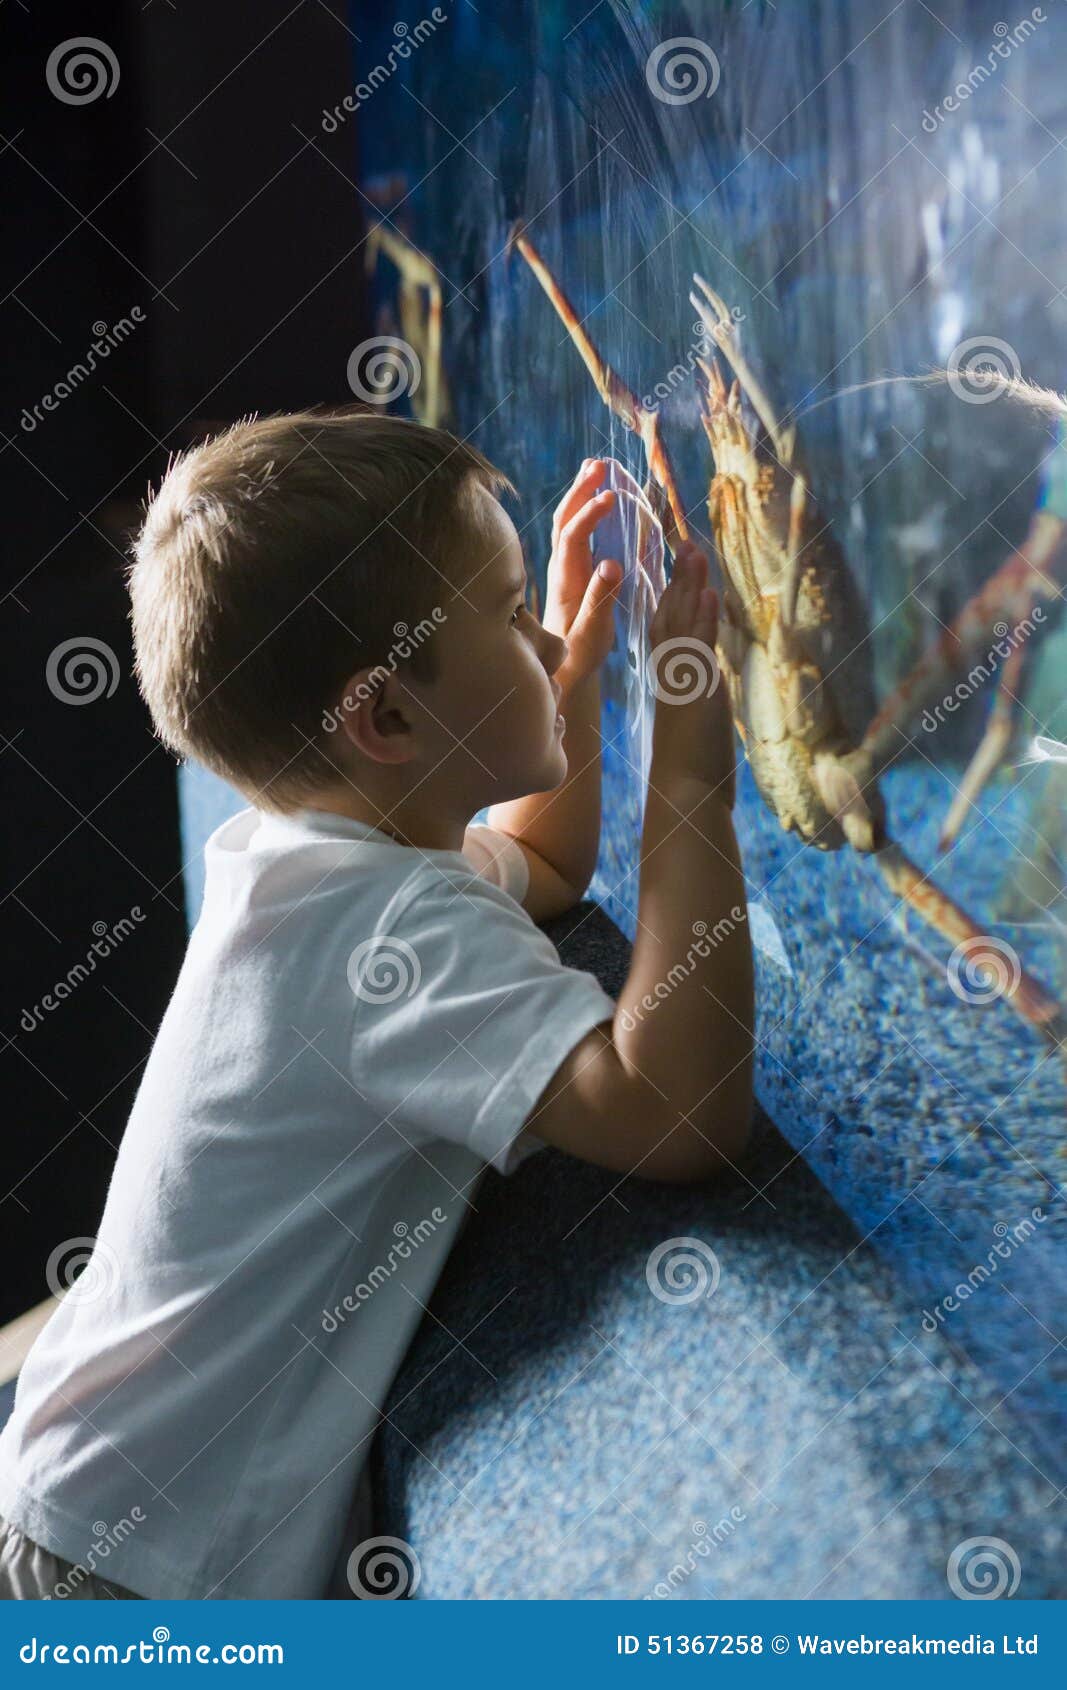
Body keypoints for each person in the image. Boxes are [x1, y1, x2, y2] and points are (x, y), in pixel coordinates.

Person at [0, 410, 753, 1599]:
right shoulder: (384, 933)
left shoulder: (321, 857)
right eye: (509, 613)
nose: (540, 631)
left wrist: (568, 670)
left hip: (84, 1477)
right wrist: (696, 766)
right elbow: (671, 1110)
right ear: (387, 718)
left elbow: (541, 871)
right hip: (136, 1570)